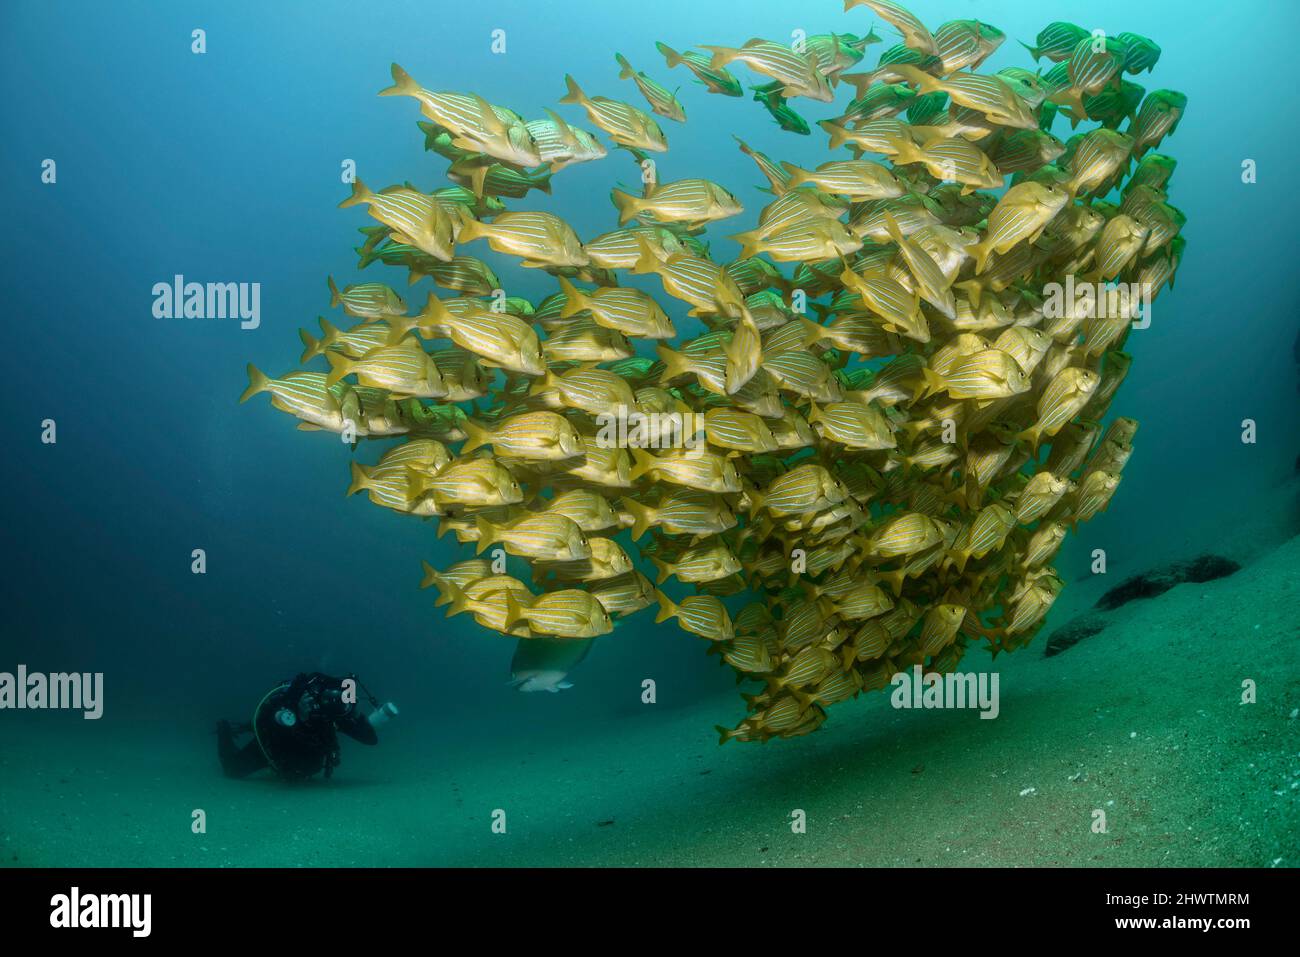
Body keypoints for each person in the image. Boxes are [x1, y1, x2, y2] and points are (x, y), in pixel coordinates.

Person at [216, 672, 394, 780]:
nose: (326, 701)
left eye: (336, 697)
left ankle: (241, 728)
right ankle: (223, 729)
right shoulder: (292, 703)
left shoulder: (333, 713)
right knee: (233, 770)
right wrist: (299, 715)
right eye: (324, 696)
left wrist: (353, 714)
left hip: (301, 767)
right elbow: (266, 723)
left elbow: (370, 739)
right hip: (273, 749)